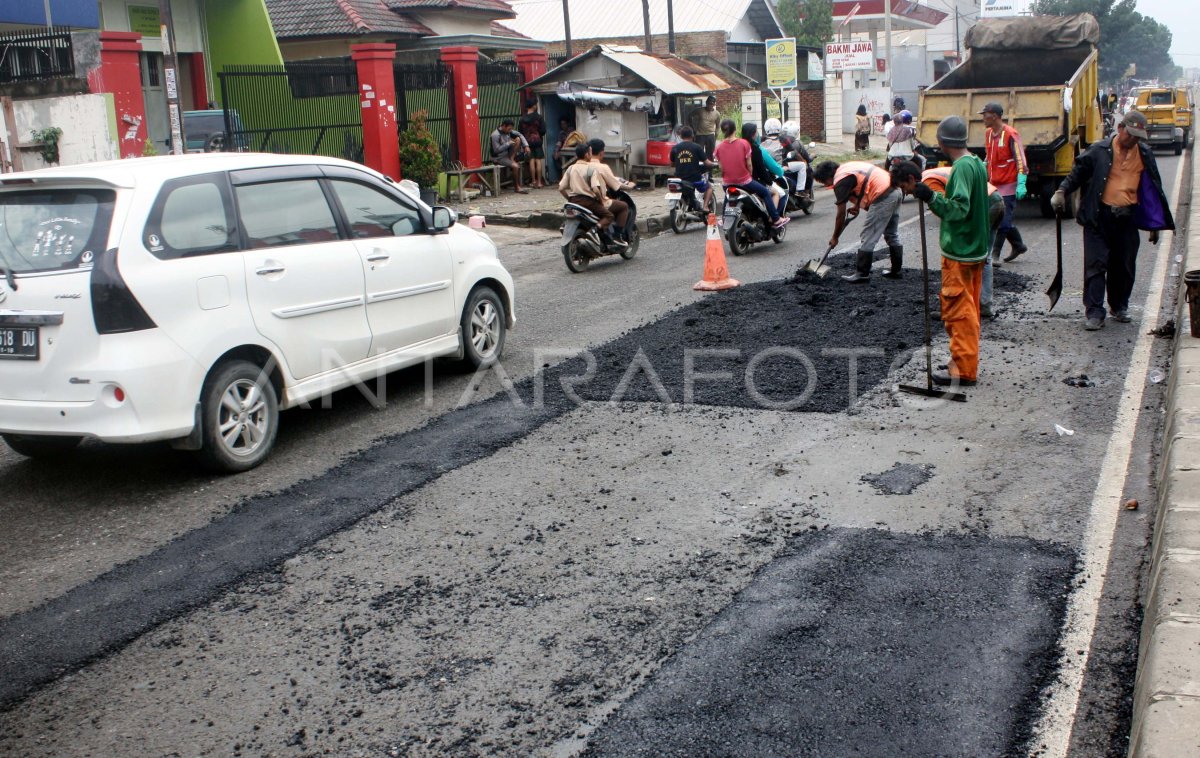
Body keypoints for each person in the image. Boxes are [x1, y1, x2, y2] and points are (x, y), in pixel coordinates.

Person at [1052, 110, 1174, 330]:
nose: (1133, 139)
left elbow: (1153, 189)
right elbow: (1077, 174)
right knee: (1096, 265)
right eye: (1131, 134)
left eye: (1138, 136)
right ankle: (1095, 312)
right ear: (1120, 129)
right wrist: (1061, 191)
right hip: (1099, 218)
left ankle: (1119, 306)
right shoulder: (1098, 151)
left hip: (1126, 219)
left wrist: (1154, 223)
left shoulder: (1144, 153)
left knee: (1124, 266)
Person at [908, 115, 991, 386]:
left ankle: (964, 369)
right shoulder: (976, 163)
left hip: (961, 250)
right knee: (969, 308)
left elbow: (958, 209)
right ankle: (962, 358)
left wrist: (931, 197)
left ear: (943, 142)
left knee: (959, 311)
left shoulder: (962, 169)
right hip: (974, 249)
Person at [902, 163, 1006, 320]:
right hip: (995, 199)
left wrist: (929, 197)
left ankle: (960, 306)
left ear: (911, 179)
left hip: (986, 203)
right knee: (985, 255)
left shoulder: (929, 180)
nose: (906, 192)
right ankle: (983, 304)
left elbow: (948, 209)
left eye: (904, 187)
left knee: (967, 255)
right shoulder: (933, 173)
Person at [813, 157, 903, 283]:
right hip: (896, 190)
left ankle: (862, 274)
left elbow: (840, 213)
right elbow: (864, 183)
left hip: (883, 195)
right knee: (891, 233)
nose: (827, 185)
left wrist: (835, 237)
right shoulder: (847, 168)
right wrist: (857, 205)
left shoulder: (840, 180)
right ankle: (896, 271)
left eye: (824, 182)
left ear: (828, 177)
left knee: (868, 235)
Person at [979, 102, 1029, 265]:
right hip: (993, 184)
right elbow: (989, 156)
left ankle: (995, 254)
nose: (983, 118)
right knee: (997, 218)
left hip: (1009, 184)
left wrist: (1021, 182)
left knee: (1002, 221)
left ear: (994, 116)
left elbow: (1020, 159)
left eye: (985, 115)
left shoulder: (1010, 134)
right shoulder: (988, 133)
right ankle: (1018, 244)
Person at [713, 119, 785, 228]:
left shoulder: (719, 147)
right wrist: (749, 176)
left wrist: (726, 177)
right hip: (745, 182)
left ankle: (724, 218)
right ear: (735, 129)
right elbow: (749, 165)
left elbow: (721, 167)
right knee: (765, 192)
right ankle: (775, 218)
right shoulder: (744, 143)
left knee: (728, 196)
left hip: (727, 183)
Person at [558, 142, 628, 249]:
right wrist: (601, 200)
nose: (591, 154)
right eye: (590, 152)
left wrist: (569, 199)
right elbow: (595, 189)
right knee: (609, 215)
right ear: (587, 155)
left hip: (573, 202)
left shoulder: (570, 168)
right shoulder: (590, 169)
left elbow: (561, 188)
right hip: (588, 202)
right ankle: (595, 230)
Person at [586, 138, 637, 243]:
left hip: (581, 200)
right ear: (601, 153)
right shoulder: (602, 167)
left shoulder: (579, 166)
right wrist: (630, 186)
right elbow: (616, 185)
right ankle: (617, 236)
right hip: (596, 201)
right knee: (624, 206)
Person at [743, 122, 788, 220]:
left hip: (735, 181)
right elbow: (762, 170)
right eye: (756, 132)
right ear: (753, 134)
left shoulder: (739, 147)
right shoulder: (756, 149)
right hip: (753, 181)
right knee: (778, 193)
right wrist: (770, 182)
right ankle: (773, 219)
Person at [670, 126, 713, 212]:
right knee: (709, 187)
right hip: (694, 179)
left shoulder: (675, 148)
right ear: (692, 136)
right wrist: (715, 164)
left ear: (681, 136)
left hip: (679, 179)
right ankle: (705, 207)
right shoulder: (697, 147)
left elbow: (672, 164)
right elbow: (707, 163)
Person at [490, 120, 529, 194]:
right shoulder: (495, 135)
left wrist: (526, 146)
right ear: (503, 126)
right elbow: (496, 150)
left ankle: (512, 158)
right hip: (498, 157)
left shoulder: (508, 131)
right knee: (516, 166)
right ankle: (517, 187)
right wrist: (508, 144)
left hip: (507, 154)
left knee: (518, 139)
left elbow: (520, 135)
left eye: (511, 128)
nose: (510, 130)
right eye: (509, 128)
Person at [518, 99, 548, 188]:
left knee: (531, 160)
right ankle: (539, 182)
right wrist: (538, 134)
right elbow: (543, 130)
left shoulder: (522, 119)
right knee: (538, 160)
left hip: (527, 142)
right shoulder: (539, 117)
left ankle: (533, 181)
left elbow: (520, 132)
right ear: (534, 106)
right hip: (537, 141)